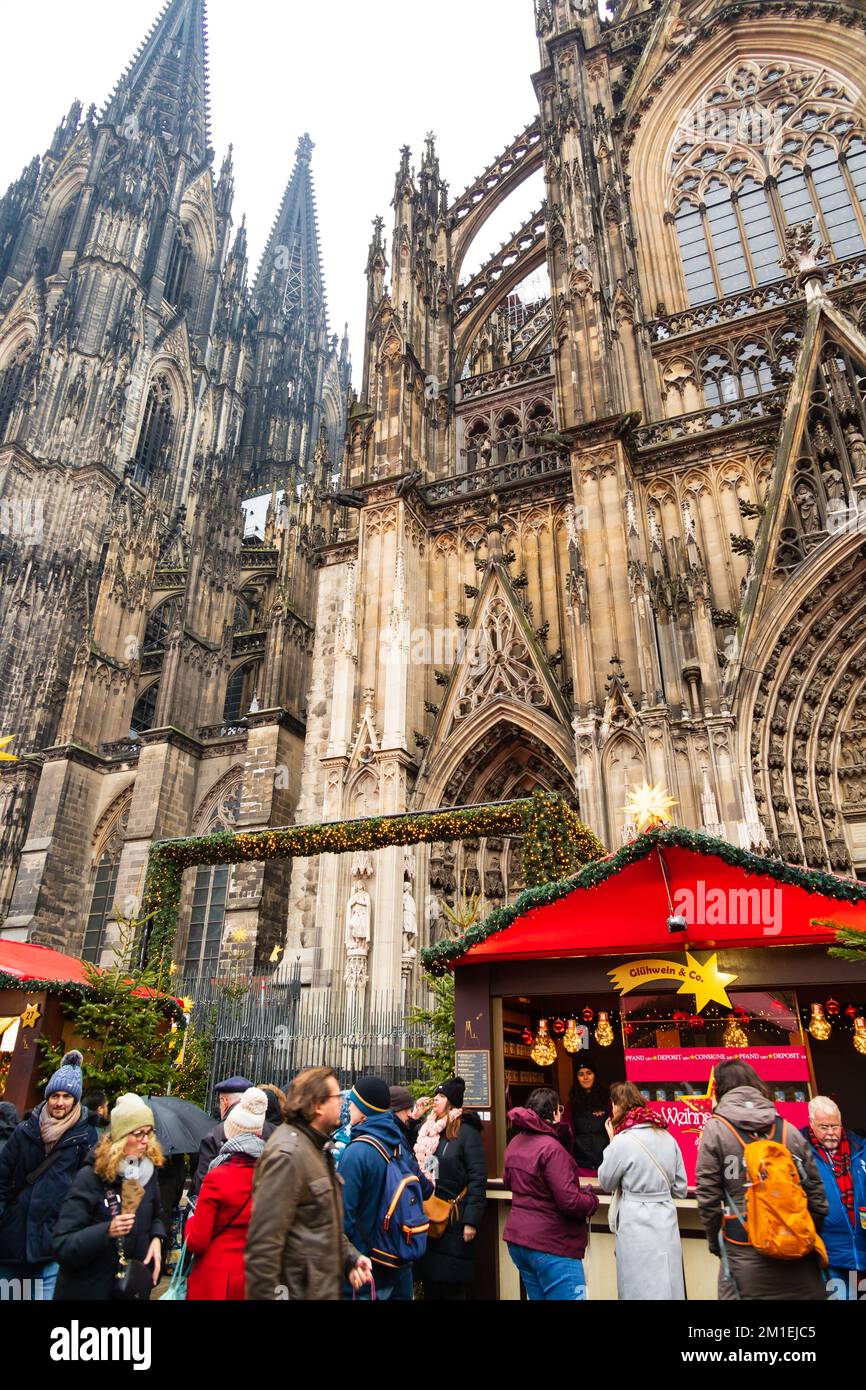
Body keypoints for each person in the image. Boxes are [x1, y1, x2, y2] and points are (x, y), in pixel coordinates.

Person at [695, 1059, 828, 1300]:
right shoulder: (788, 1130)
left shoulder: (716, 1130)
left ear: (719, 1090)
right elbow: (817, 1196)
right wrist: (802, 1232)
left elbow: (707, 1199)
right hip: (799, 1255)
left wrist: (717, 1243)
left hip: (744, 1251)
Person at [245, 1067, 372, 1301]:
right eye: (336, 1097)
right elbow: (263, 1247)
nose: (343, 1102)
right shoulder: (288, 1155)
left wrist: (350, 1258)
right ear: (317, 1105)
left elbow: (320, 1223)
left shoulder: (315, 1146)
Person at [0, 1050, 96, 1301]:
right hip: (12, 1242)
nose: (60, 1102)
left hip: (52, 1245)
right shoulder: (25, 1131)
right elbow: (2, 1178)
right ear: (48, 1097)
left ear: (75, 1101)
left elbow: (88, 1188)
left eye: (66, 1096)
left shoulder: (85, 1138)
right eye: (55, 1095)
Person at [52, 1093, 166, 1301]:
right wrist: (107, 1230)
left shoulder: (147, 1172)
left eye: (149, 1133)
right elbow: (63, 1246)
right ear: (121, 1139)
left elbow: (156, 1214)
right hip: (89, 1290)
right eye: (139, 1133)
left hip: (129, 1289)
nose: (145, 1141)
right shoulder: (91, 1177)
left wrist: (157, 1238)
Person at [339, 1077, 431, 1301]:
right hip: (398, 1260)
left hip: (366, 1270)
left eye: (352, 1103)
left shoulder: (357, 1152)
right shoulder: (397, 1141)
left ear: (363, 1111)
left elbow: (343, 1218)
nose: (348, 1107)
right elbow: (423, 1186)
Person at [502, 1086, 599, 1300]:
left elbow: (508, 1182)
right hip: (553, 1244)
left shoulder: (515, 1142)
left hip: (520, 1240)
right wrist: (591, 1201)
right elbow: (570, 1202)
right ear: (554, 1112)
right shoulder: (552, 1148)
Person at [597, 1081, 687, 1300]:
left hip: (634, 1221)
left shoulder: (622, 1141)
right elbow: (681, 1188)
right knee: (668, 1283)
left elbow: (606, 1181)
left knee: (637, 1285)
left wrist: (611, 1141)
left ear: (618, 1106)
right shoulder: (668, 1137)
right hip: (666, 1220)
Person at [185, 1087, 268, 1300]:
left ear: (229, 1132)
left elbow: (197, 1241)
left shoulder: (217, 1176)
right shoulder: (271, 1176)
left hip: (218, 1276)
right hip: (256, 1275)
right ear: (259, 1133)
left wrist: (190, 1221)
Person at [414, 1077, 487, 1301]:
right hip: (430, 1216)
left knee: (452, 1287)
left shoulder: (466, 1133)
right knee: (431, 1285)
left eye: (442, 1096)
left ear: (452, 1102)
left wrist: (471, 1220)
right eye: (436, 1095)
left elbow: (477, 1177)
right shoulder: (428, 1131)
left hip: (455, 1221)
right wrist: (414, 1117)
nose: (436, 1099)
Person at [802, 1095, 866, 1300]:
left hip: (862, 1253)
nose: (831, 1133)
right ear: (811, 1124)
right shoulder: (800, 1153)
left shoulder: (860, 1150)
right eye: (824, 1127)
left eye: (835, 1126)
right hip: (828, 1255)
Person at [190, 1075, 274, 1201]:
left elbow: (203, 1184)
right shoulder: (274, 1132)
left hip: (226, 1211)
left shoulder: (214, 1135)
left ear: (224, 1101)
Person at [565, 1063, 610, 1171]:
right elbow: (566, 1132)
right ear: (576, 1078)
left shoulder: (606, 1101)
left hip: (606, 1161)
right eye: (581, 1074)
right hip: (580, 1163)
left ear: (595, 1075)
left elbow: (615, 1127)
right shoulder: (571, 1104)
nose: (585, 1077)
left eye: (589, 1073)